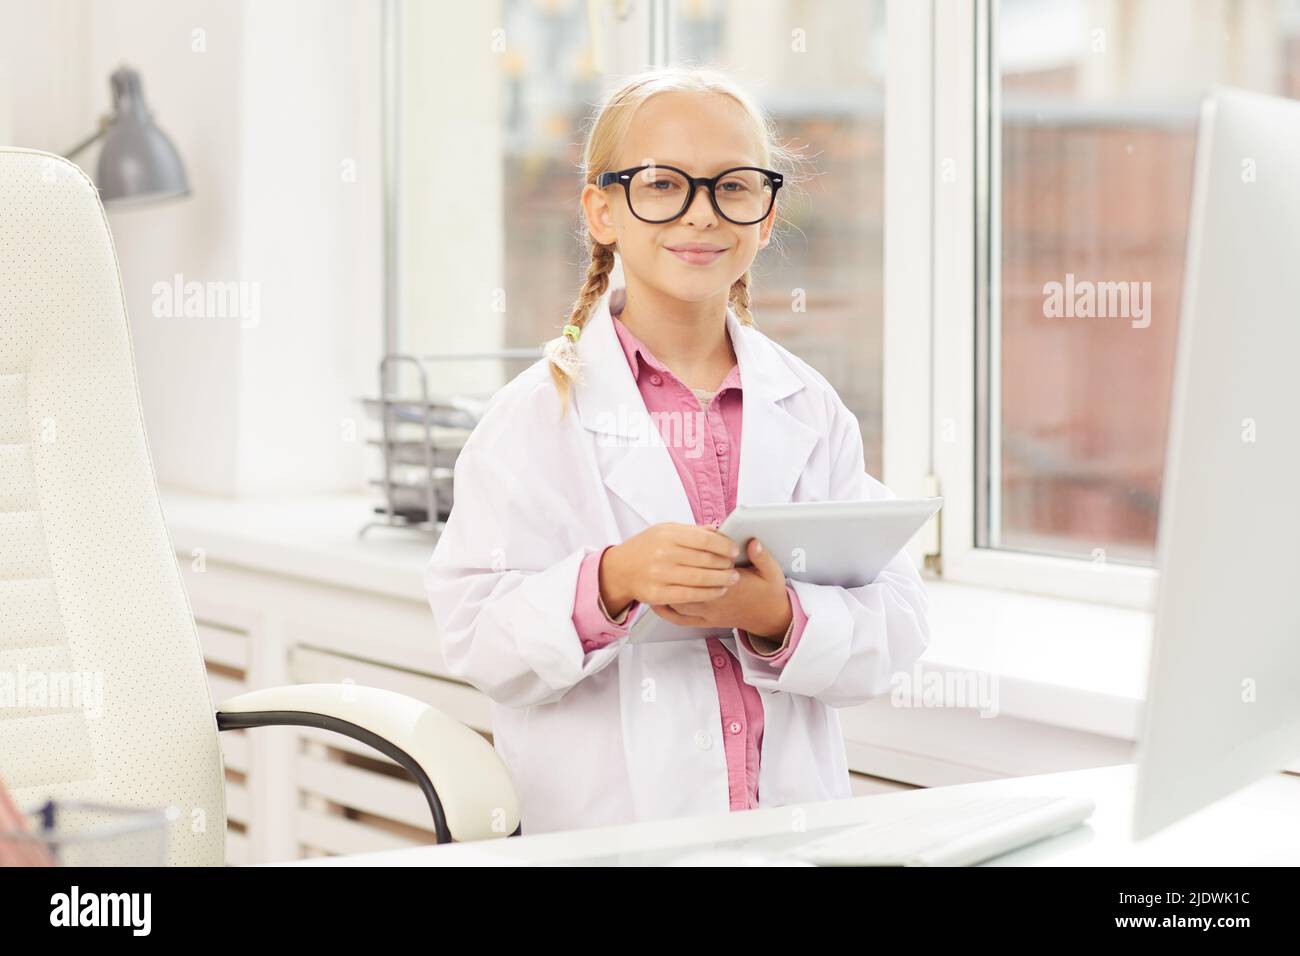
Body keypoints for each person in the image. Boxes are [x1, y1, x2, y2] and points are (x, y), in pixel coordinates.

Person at [424, 66, 929, 836]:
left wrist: (777, 614)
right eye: (662, 185)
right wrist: (612, 581)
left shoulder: (808, 408)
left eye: (733, 186)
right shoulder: (531, 420)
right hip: (607, 838)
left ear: (765, 215)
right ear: (602, 210)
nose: (701, 215)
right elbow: (476, 638)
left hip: (788, 832)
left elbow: (893, 625)